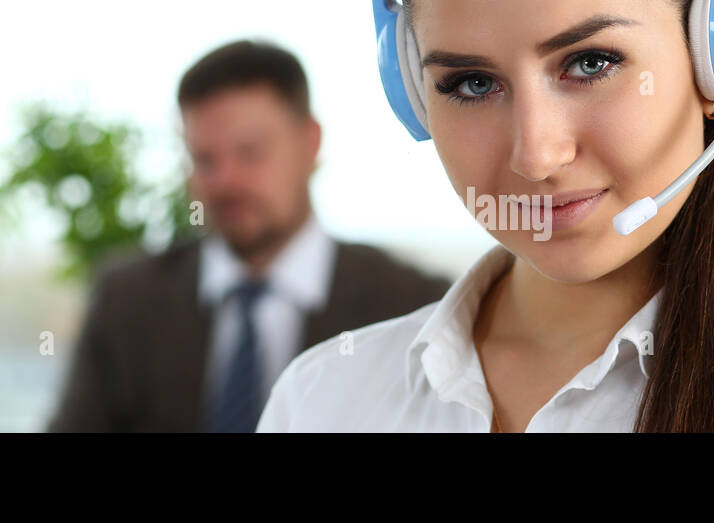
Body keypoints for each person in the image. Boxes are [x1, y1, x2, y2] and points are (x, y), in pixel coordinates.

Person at [256, 0, 714, 432]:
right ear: (412, 94)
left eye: (591, 62)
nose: (536, 153)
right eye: (471, 83)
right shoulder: (321, 400)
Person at [47, 39, 451, 432]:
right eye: (204, 159)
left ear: (310, 144)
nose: (225, 181)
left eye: (250, 152)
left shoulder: (415, 306)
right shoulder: (129, 301)